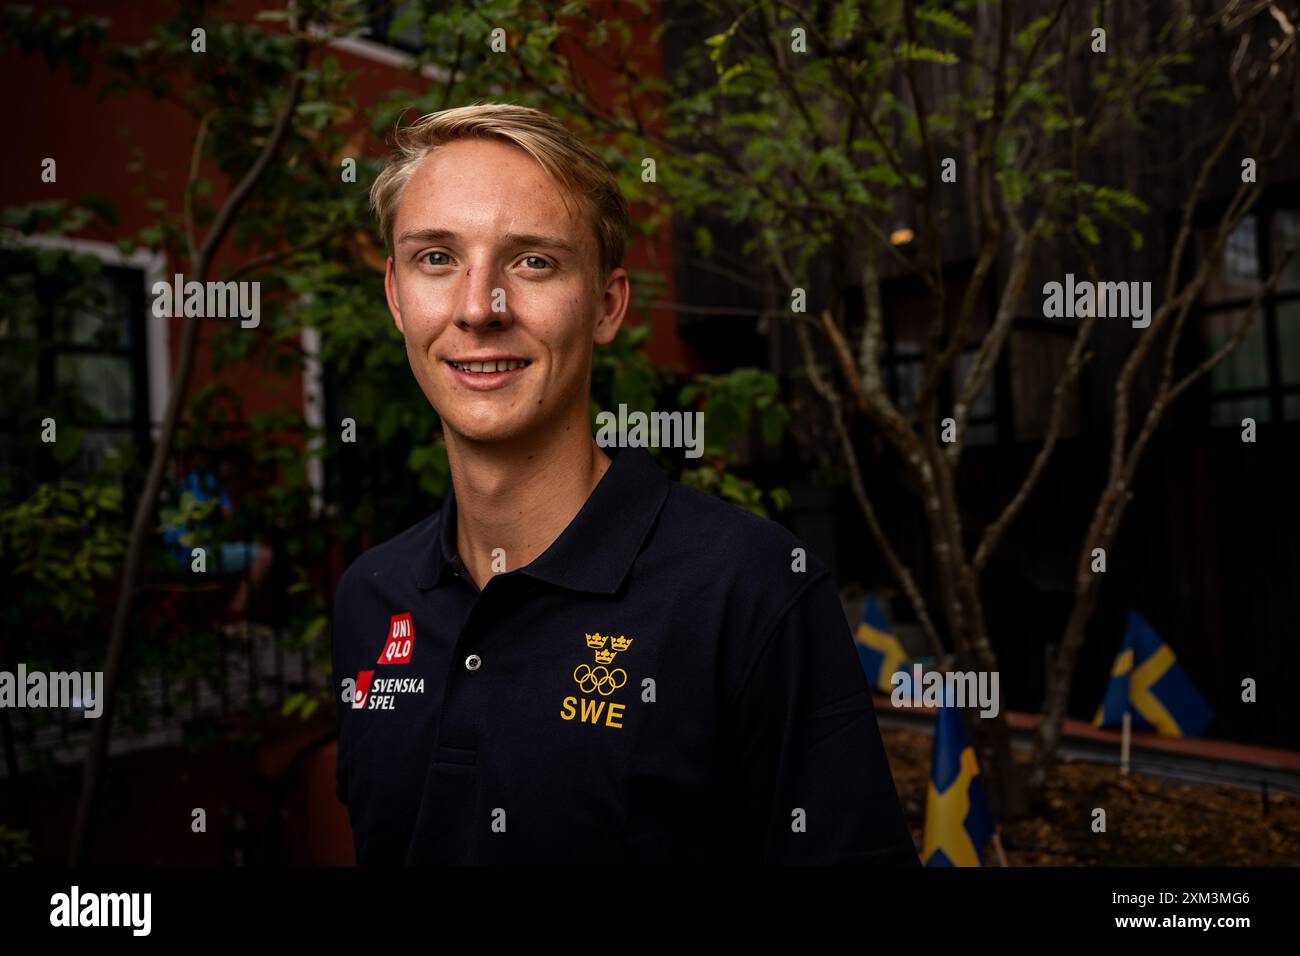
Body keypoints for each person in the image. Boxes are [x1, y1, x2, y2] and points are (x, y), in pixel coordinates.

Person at [331, 102, 919, 865]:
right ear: (396, 296)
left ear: (607, 306)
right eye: (437, 258)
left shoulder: (749, 588)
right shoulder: (370, 597)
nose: (479, 307)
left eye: (533, 262)